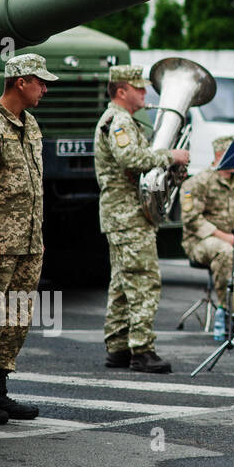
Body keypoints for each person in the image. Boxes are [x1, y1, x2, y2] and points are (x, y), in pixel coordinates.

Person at [0, 53, 57, 425]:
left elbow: (33, 186)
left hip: (29, 240)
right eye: (40, 82)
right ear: (21, 82)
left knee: (17, 317)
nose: (44, 89)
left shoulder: (30, 124)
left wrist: (38, 235)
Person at [96, 65, 189, 374]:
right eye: (139, 89)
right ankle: (142, 350)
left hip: (124, 215)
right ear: (122, 91)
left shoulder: (122, 120)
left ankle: (120, 347)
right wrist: (170, 157)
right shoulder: (119, 121)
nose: (145, 93)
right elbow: (131, 159)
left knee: (123, 283)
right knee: (145, 280)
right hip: (128, 216)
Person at [180, 135, 234, 321]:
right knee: (225, 251)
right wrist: (224, 237)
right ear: (221, 156)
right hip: (201, 242)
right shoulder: (198, 182)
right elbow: (191, 219)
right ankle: (226, 310)